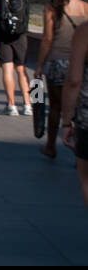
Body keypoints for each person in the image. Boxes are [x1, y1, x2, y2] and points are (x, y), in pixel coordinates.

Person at [37, 0, 87, 159]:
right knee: (78, 108)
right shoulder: (85, 8)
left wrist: (40, 65)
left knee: (56, 107)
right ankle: (80, 151)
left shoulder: (51, 9)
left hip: (57, 62)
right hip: (80, 63)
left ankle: (51, 146)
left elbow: (47, 39)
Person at [61, 17, 88, 208]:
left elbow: (74, 80)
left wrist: (67, 121)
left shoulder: (84, 31)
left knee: (86, 178)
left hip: (87, 117)